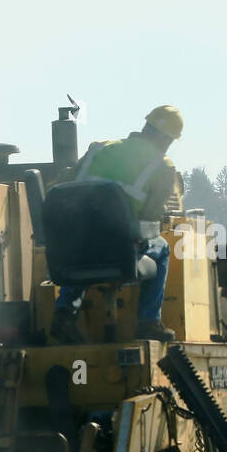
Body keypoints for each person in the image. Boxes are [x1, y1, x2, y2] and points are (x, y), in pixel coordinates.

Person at [50, 105, 185, 344]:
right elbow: (151, 215)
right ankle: (148, 322)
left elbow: (64, 184)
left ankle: (64, 313)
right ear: (168, 140)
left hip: (75, 246)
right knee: (162, 248)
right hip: (120, 250)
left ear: (145, 126)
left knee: (81, 254)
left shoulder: (98, 148)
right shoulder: (162, 165)